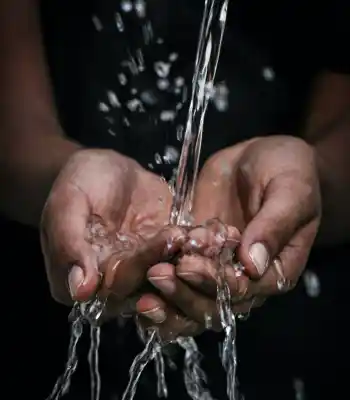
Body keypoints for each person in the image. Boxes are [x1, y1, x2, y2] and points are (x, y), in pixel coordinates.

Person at [0, 0, 349, 399]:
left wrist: (315, 178)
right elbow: (13, 135)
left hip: (295, 334)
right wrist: (61, 179)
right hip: (38, 320)